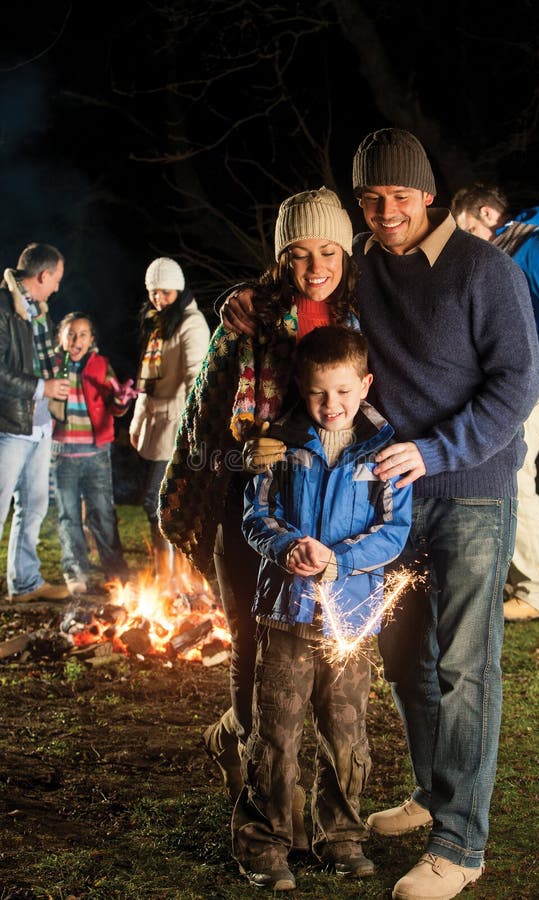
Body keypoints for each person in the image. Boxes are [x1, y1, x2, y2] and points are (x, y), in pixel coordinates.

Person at [220, 129, 539, 900]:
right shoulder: (361, 267)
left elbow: (518, 382)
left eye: (399, 195)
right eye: (371, 198)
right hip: (388, 493)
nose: (386, 210)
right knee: (402, 659)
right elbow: (304, 285)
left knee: (465, 665)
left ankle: (460, 843)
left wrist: (437, 450)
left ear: (428, 193)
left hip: (468, 488)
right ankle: (431, 791)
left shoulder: (484, 269)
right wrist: (243, 298)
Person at [158, 188, 359, 848]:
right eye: (298, 254)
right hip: (247, 509)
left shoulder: (360, 319)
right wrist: (244, 453)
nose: (314, 267)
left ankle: (238, 742)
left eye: (328, 252)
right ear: (280, 258)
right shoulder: (244, 320)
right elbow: (200, 431)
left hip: (326, 514)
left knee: (317, 656)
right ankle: (271, 793)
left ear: (346, 254)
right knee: (250, 646)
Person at [232, 325, 412, 891]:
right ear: (300, 388)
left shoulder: (386, 453)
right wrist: (288, 547)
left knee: (346, 735)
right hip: (285, 614)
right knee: (276, 736)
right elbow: (256, 516)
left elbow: (394, 531)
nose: (330, 404)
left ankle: (341, 838)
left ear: (365, 385)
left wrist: (338, 560)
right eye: (317, 393)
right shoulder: (279, 446)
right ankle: (266, 844)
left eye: (342, 391)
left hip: (350, 623)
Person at [450, 184, 539, 621]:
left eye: (469, 229)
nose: (469, 239)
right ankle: (512, 581)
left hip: (534, 381)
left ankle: (535, 592)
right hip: (507, 379)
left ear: (487, 213)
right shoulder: (508, 251)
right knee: (499, 471)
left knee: (515, 473)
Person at [129, 256, 210, 585]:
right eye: (153, 292)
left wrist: (194, 428)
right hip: (156, 426)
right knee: (160, 504)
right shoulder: (160, 324)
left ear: (178, 290)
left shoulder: (191, 323)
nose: (158, 298)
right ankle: (167, 576)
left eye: (164, 292)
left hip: (177, 426)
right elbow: (147, 382)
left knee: (158, 502)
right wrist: (137, 422)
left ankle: (174, 579)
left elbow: (196, 377)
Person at [0, 243, 71, 602]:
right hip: (8, 426)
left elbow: (42, 360)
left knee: (33, 507)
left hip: (39, 426)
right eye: (56, 279)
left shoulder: (38, 312)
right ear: (43, 275)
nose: (57, 287)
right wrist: (43, 387)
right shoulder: (3, 309)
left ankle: (25, 583)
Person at [51, 312, 137, 594]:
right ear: (61, 337)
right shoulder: (52, 365)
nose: (76, 339)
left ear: (91, 340)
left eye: (83, 334)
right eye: (70, 334)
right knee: (69, 517)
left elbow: (115, 405)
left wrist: (121, 400)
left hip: (96, 454)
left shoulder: (101, 365)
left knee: (103, 515)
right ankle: (76, 573)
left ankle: (116, 575)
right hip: (62, 454)